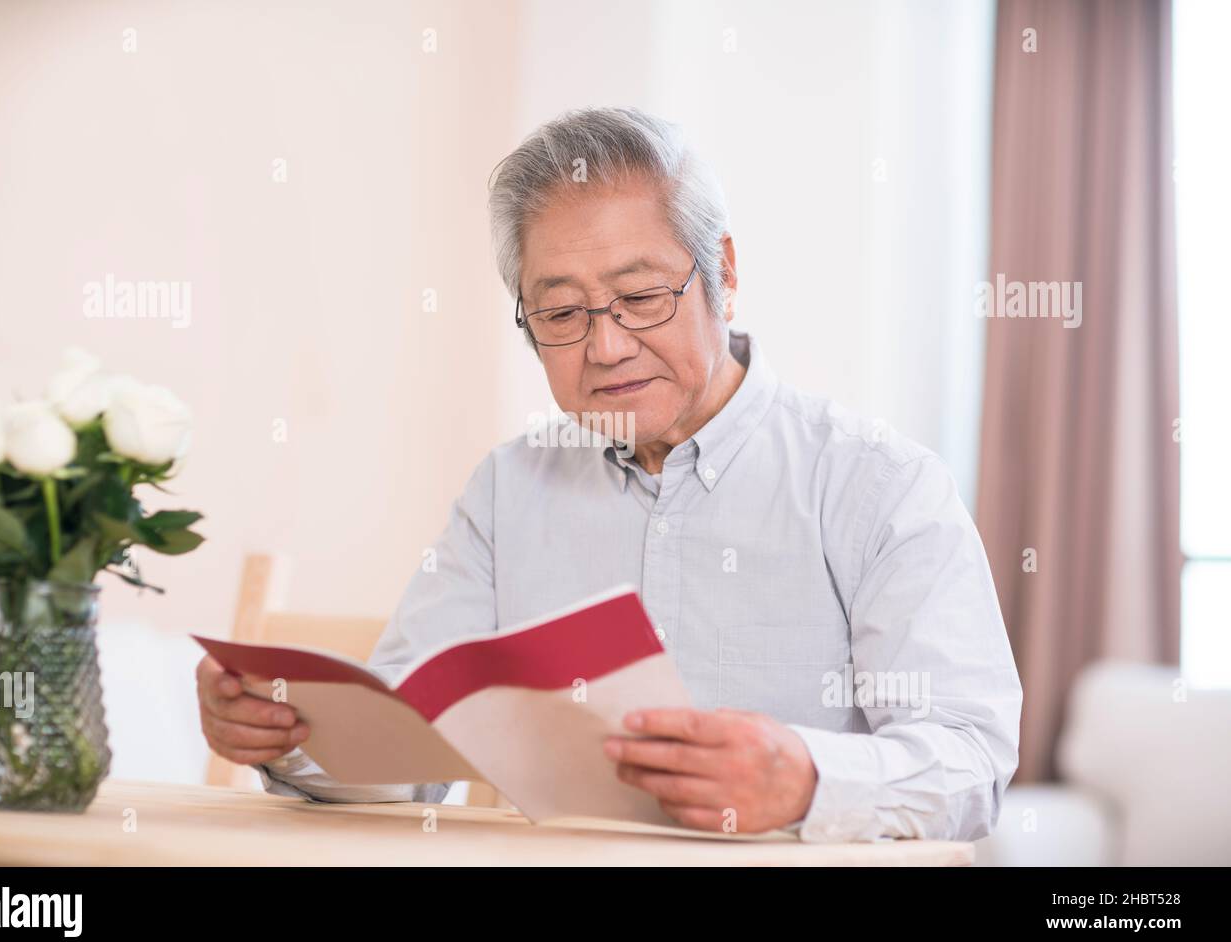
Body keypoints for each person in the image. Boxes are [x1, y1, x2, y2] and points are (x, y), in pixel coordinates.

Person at [197, 106, 1022, 841]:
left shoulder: (877, 486)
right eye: (561, 313)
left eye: (641, 295)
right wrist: (292, 734)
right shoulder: (509, 489)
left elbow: (972, 762)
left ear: (724, 273)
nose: (607, 346)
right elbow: (407, 759)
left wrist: (807, 778)